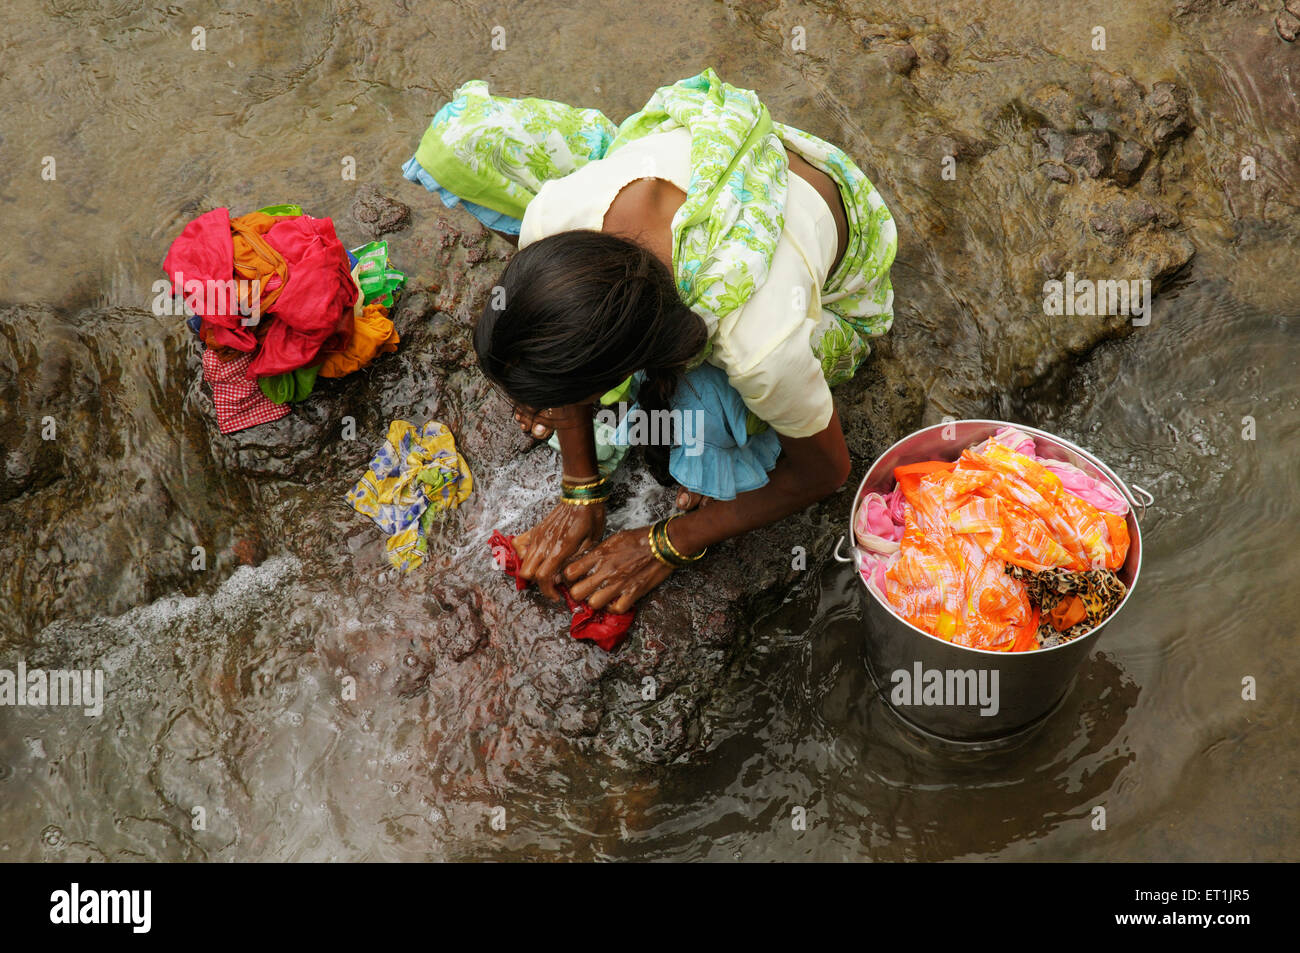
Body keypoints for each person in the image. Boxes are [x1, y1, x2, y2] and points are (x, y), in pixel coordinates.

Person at [403, 69, 897, 616]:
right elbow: (576, 339)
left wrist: (669, 542)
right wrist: (580, 487)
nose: (537, 414)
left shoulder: (760, 342)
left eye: (555, 400)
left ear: (625, 368)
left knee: (709, 411)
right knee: (462, 143)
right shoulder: (555, 216)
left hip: (830, 223)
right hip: (711, 152)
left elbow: (826, 472)